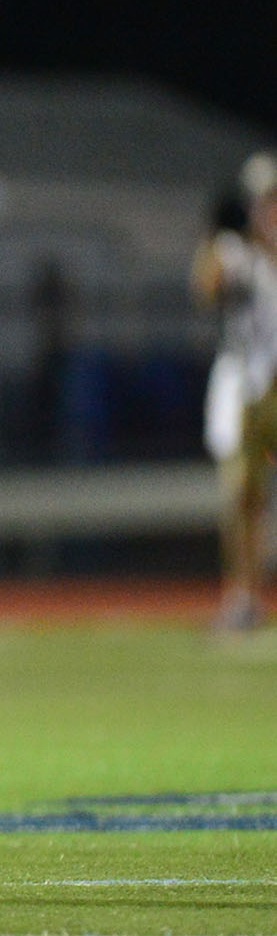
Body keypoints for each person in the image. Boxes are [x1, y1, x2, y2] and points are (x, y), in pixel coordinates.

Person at [194, 152, 277, 636]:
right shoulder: (234, 253)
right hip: (246, 383)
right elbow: (206, 287)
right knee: (242, 494)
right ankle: (243, 595)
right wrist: (212, 234)